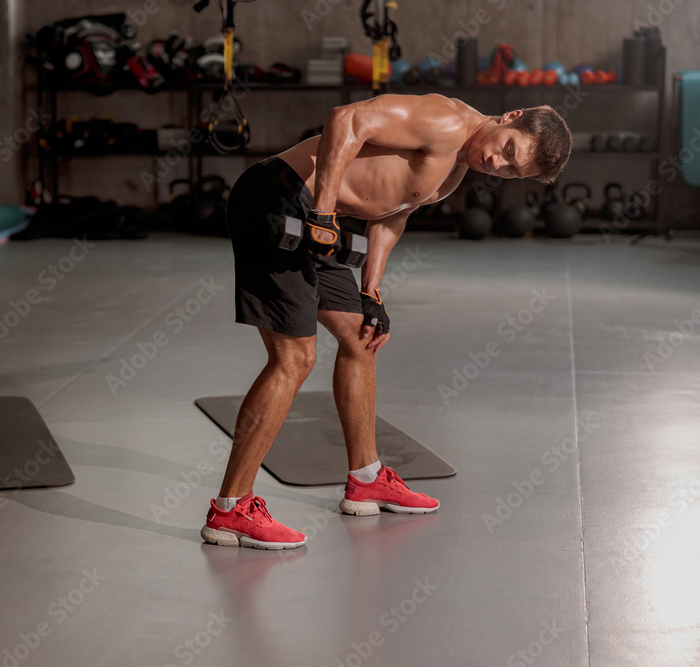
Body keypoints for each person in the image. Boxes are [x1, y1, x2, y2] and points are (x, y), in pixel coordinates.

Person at [201, 94, 572, 550]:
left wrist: (371, 290)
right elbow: (345, 120)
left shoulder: (457, 165)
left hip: (319, 216)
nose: (497, 165)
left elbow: (393, 214)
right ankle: (230, 509)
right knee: (294, 358)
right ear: (511, 116)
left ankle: (366, 479)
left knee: (362, 338)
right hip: (277, 198)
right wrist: (321, 211)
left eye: (512, 172)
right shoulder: (445, 121)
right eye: (508, 151)